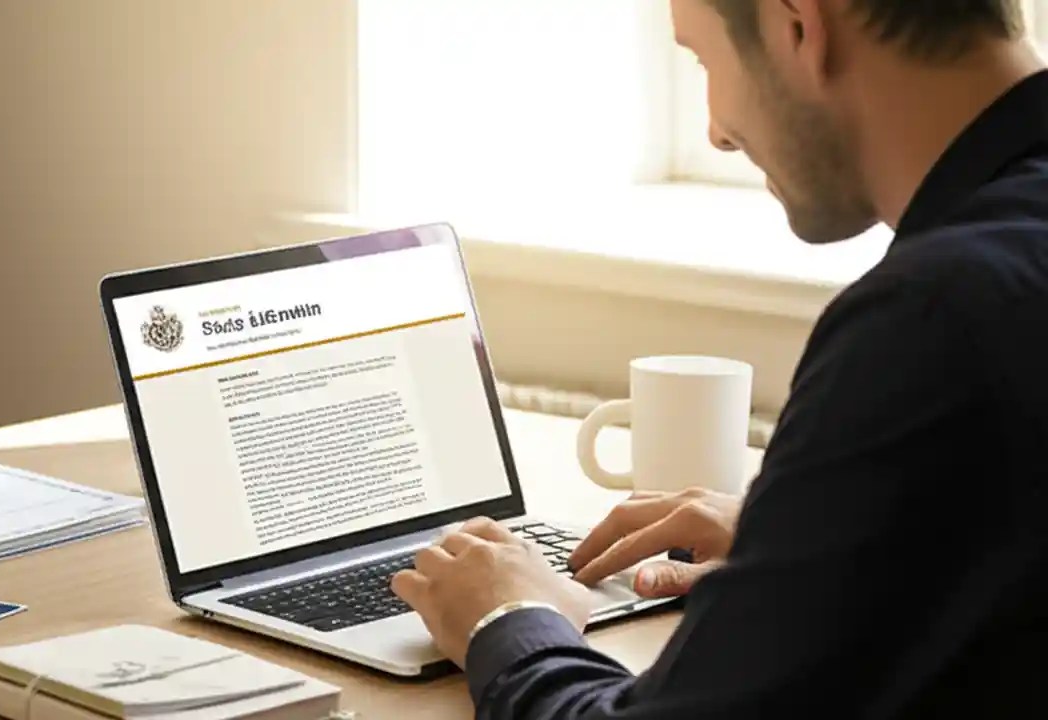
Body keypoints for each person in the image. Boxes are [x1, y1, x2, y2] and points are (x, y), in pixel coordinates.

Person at [390, 0, 1048, 717]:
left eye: (703, 59)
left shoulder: (932, 318)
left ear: (798, 24)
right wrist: (823, 536)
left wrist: (509, 621)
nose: (715, 129)